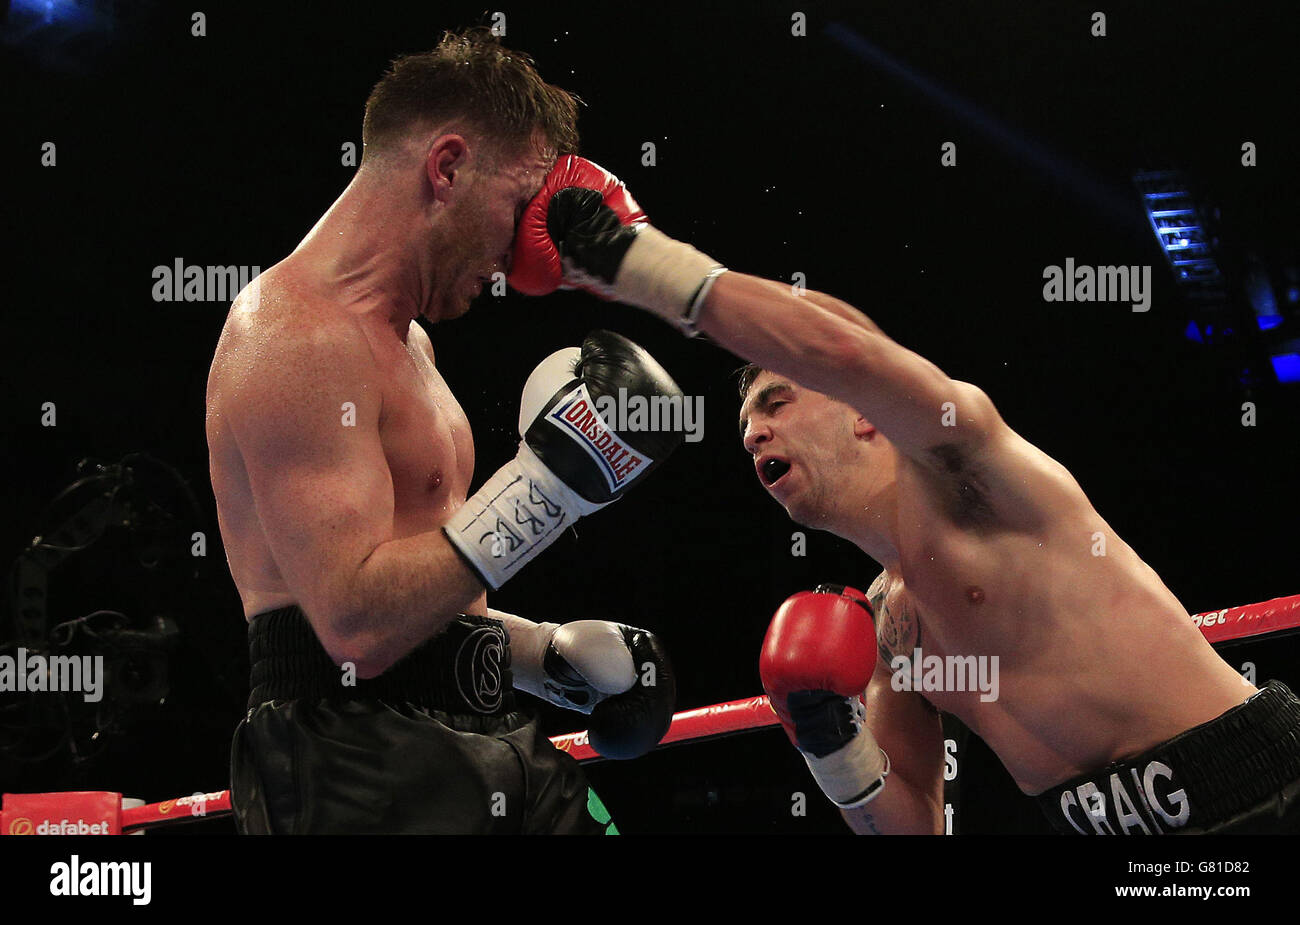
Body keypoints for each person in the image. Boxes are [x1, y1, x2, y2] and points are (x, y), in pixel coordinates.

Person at [505, 154, 1300, 834]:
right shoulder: (887, 625)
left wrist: (628, 260)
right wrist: (829, 740)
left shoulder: (971, 472)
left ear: (863, 415)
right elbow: (911, 820)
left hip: (1258, 786)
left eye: (777, 403)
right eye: (746, 423)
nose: (752, 434)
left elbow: (840, 344)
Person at [205, 31, 676, 835]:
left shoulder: (412, 345)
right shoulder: (289, 333)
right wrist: (551, 489)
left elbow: (427, 588)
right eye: (522, 208)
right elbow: (353, 625)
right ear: (448, 166)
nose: (530, 254)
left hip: (495, 739)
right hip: (353, 762)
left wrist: (544, 657)